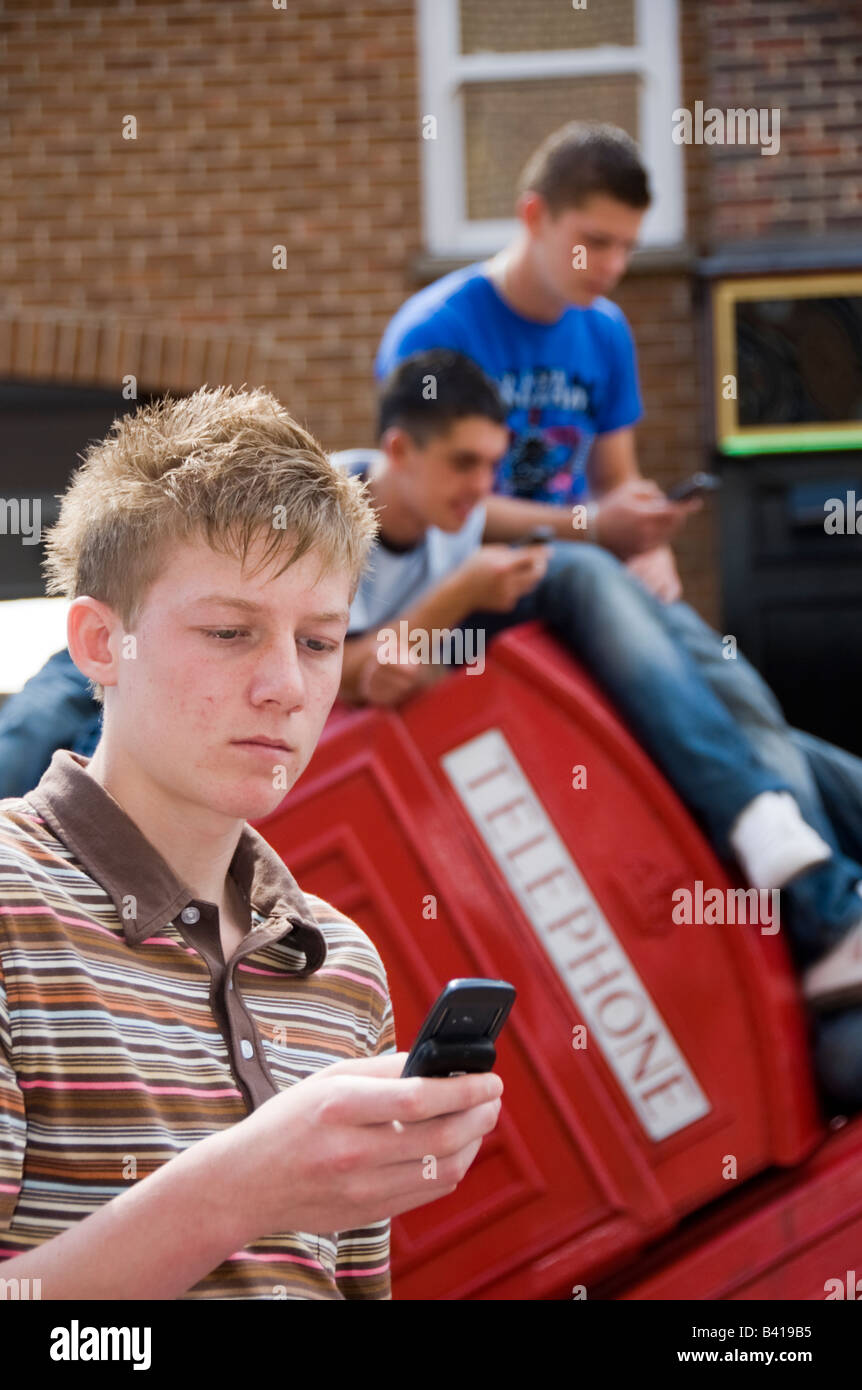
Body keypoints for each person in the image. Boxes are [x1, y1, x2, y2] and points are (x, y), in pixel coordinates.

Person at [0, 386, 503, 1299]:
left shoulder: (345, 967)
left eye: (319, 642)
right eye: (230, 632)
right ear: (100, 642)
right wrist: (236, 1191)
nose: (284, 686)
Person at [373, 119, 862, 947]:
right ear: (533, 216)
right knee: (588, 574)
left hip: (591, 569)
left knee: (745, 706)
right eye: (593, 242)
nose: (610, 267)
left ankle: (827, 902)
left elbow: (613, 480)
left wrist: (651, 538)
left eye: (627, 248)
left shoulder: (605, 332)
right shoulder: (438, 329)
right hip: (493, 584)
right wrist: (595, 528)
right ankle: (822, 913)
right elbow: (440, 502)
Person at [338, 350, 862, 1109]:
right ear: (397, 451)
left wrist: (632, 546)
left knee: (721, 703)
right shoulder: (326, 516)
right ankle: (818, 898)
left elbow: (527, 543)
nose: (483, 484)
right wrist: (457, 597)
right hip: (389, 765)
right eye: (464, 463)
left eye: (493, 462)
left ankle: (796, 861)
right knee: (587, 584)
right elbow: (337, 670)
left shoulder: (452, 507)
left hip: (466, 680)